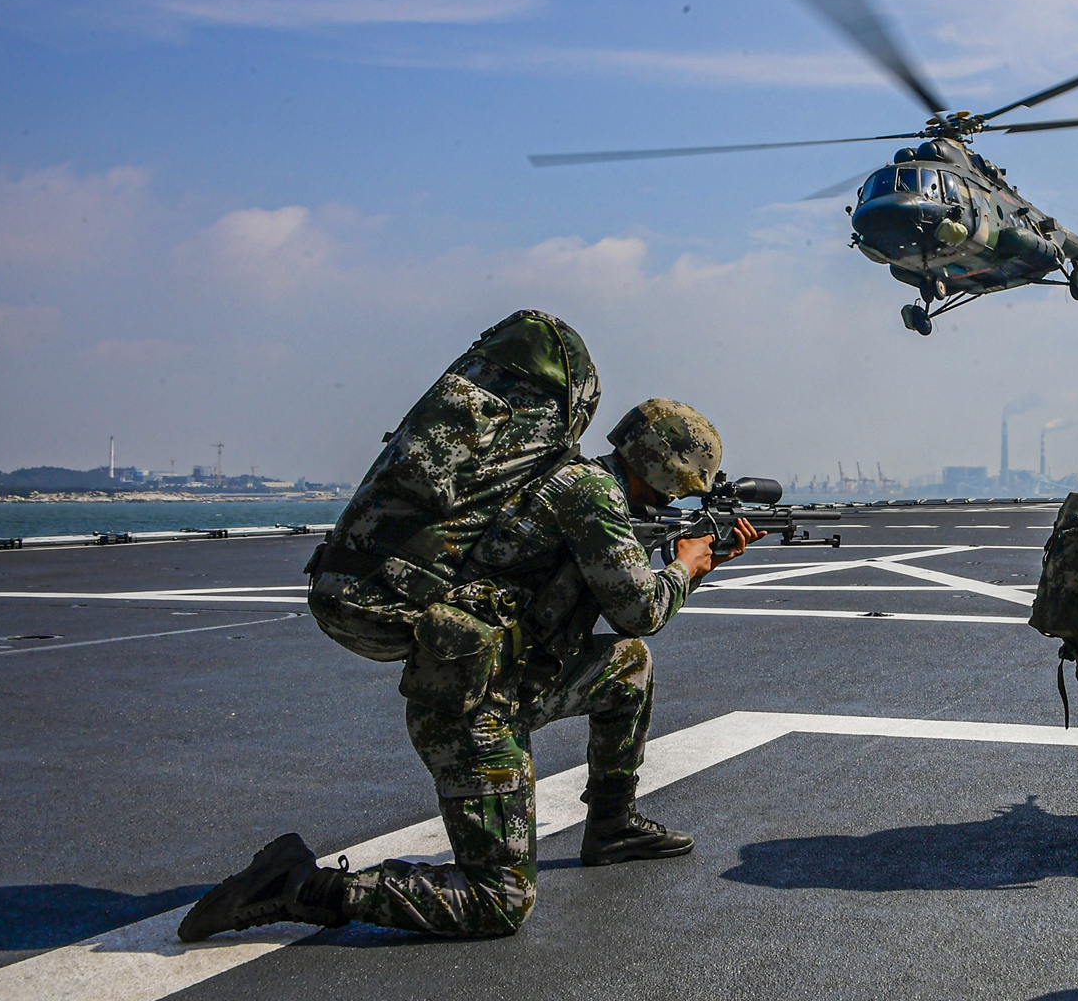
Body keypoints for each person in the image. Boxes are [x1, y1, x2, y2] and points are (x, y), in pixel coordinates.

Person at [178, 398, 764, 942]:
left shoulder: (577, 482)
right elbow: (643, 609)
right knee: (499, 900)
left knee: (627, 668)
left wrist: (697, 560)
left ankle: (612, 825)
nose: (674, 500)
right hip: (470, 713)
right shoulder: (591, 494)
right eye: (678, 486)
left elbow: (621, 612)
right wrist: (688, 567)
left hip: (508, 682)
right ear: (662, 467)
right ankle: (300, 886)